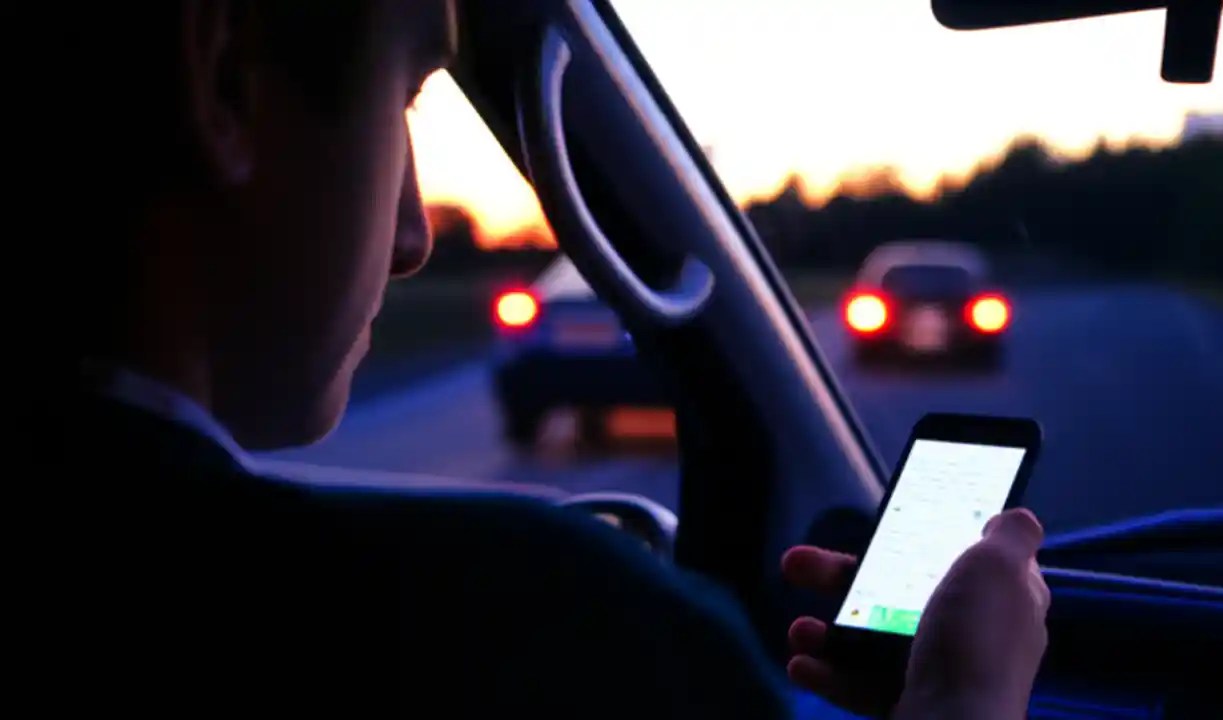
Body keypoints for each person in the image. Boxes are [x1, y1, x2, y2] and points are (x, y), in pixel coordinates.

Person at [50, 1, 1050, 717]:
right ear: (225, 73)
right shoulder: (551, 634)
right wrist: (963, 699)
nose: (411, 236)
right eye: (403, 99)